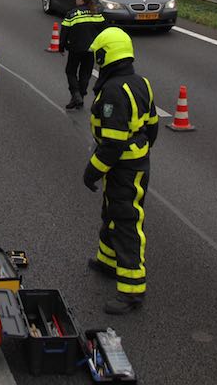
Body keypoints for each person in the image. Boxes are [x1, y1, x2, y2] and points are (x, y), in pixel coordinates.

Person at [81, 27, 158, 314]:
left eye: (98, 55)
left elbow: (112, 145)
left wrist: (92, 171)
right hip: (131, 164)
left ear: (107, 54)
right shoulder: (140, 83)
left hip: (122, 167)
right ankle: (108, 262)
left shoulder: (114, 90)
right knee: (113, 212)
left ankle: (131, 291)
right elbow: (152, 127)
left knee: (126, 222)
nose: (96, 61)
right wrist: (141, 151)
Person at [60, 0, 107, 109]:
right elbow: (104, 31)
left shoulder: (72, 14)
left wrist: (61, 47)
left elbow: (64, 32)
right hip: (91, 50)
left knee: (70, 71)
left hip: (75, 49)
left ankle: (76, 94)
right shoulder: (96, 14)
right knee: (85, 74)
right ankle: (80, 97)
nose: (75, 0)